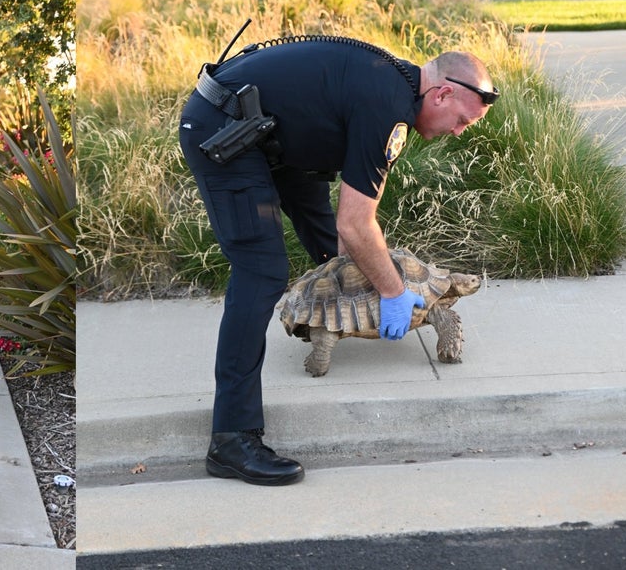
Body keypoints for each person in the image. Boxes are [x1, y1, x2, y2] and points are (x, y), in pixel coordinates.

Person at [179, 34, 497, 486]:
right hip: (224, 131)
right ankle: (231, 438)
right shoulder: (389, 106)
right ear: (442, 92)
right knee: (261, 270)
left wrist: (365, 277)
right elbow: (358, 224)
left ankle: (329, 322)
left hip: (273, 139)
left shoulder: (392, 86)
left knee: (334, 250)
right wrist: (392, 290)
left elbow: (349, 233)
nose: (459, 130)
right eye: (462, 119)